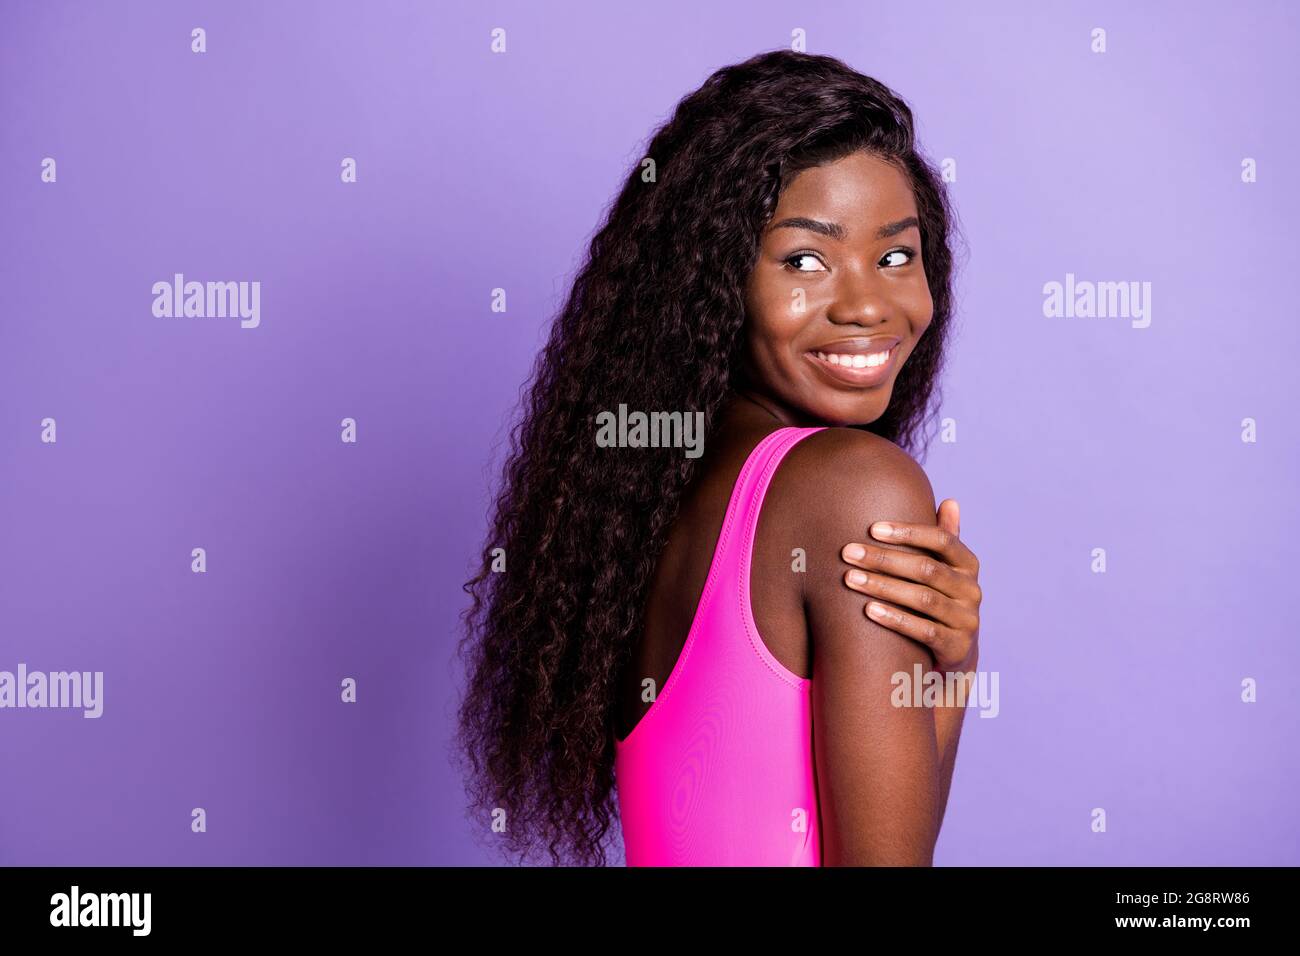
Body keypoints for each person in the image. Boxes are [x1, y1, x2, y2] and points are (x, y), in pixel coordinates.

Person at [455, 49, 982, 866]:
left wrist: (944, 666)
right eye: (806, 260)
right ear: (713, 278)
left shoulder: (648, 498)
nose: (869, 304)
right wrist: (952, 675)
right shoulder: (851, 488)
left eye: (896, 255)